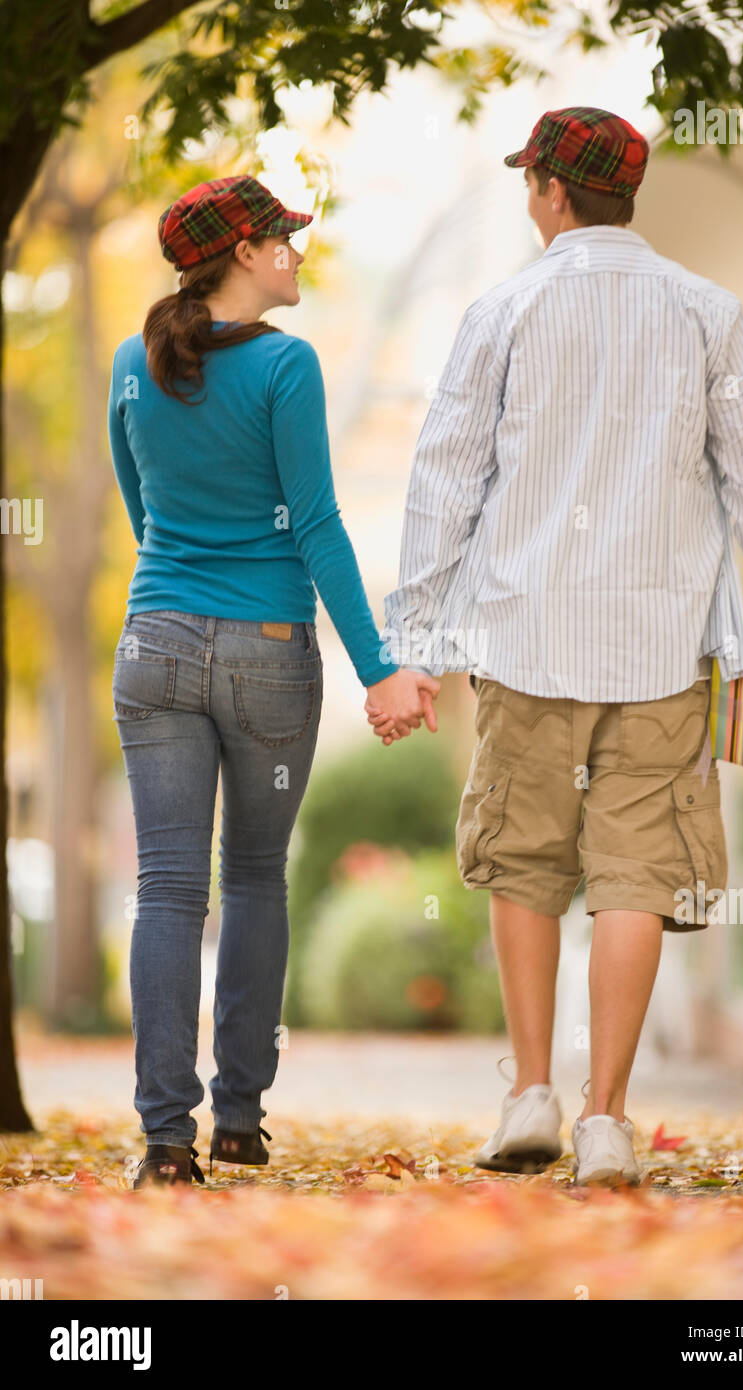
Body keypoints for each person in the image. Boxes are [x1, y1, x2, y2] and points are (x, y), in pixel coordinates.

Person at [371, 108, 743, 1186]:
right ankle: (605, 1119)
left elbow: (442, 485)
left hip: (523, 642)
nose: (529, 197)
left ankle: (529, 1092)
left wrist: (413, 641)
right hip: (663, 648)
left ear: (554, 194)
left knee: (521, 863)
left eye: (532, 181)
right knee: (634, 875)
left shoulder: (502, 312)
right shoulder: (705, 314)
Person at [108, 175, 439, 1188]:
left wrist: (181, 599)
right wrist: (380, 667)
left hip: (153, 642)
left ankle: (165, 1138)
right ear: (243, 251)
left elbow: (142, 510)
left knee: (167, 885)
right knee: (252, 876)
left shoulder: (132, 363)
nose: (298, 253)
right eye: (285, 239)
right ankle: (240, 1120)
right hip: (265, 651)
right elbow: (321, 525)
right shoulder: (286, 367)